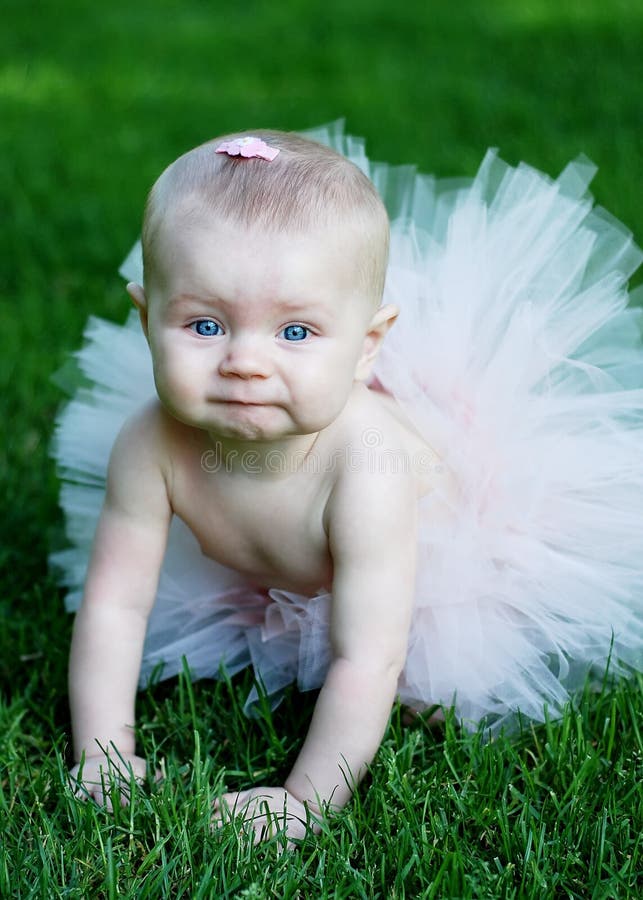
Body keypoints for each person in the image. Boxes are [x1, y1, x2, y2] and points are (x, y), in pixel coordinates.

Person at [53, 123, 643, 842]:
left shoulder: (366, 471)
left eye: (294, 332)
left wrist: (302, 803)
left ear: (366, 347)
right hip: (294, 550)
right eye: (205, 325)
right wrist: (101, 756)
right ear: (147, 320)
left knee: (426, 692)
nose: (245, 361)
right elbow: (114, 603)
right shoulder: (150, 443)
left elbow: (368, 656)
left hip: (436, 562)